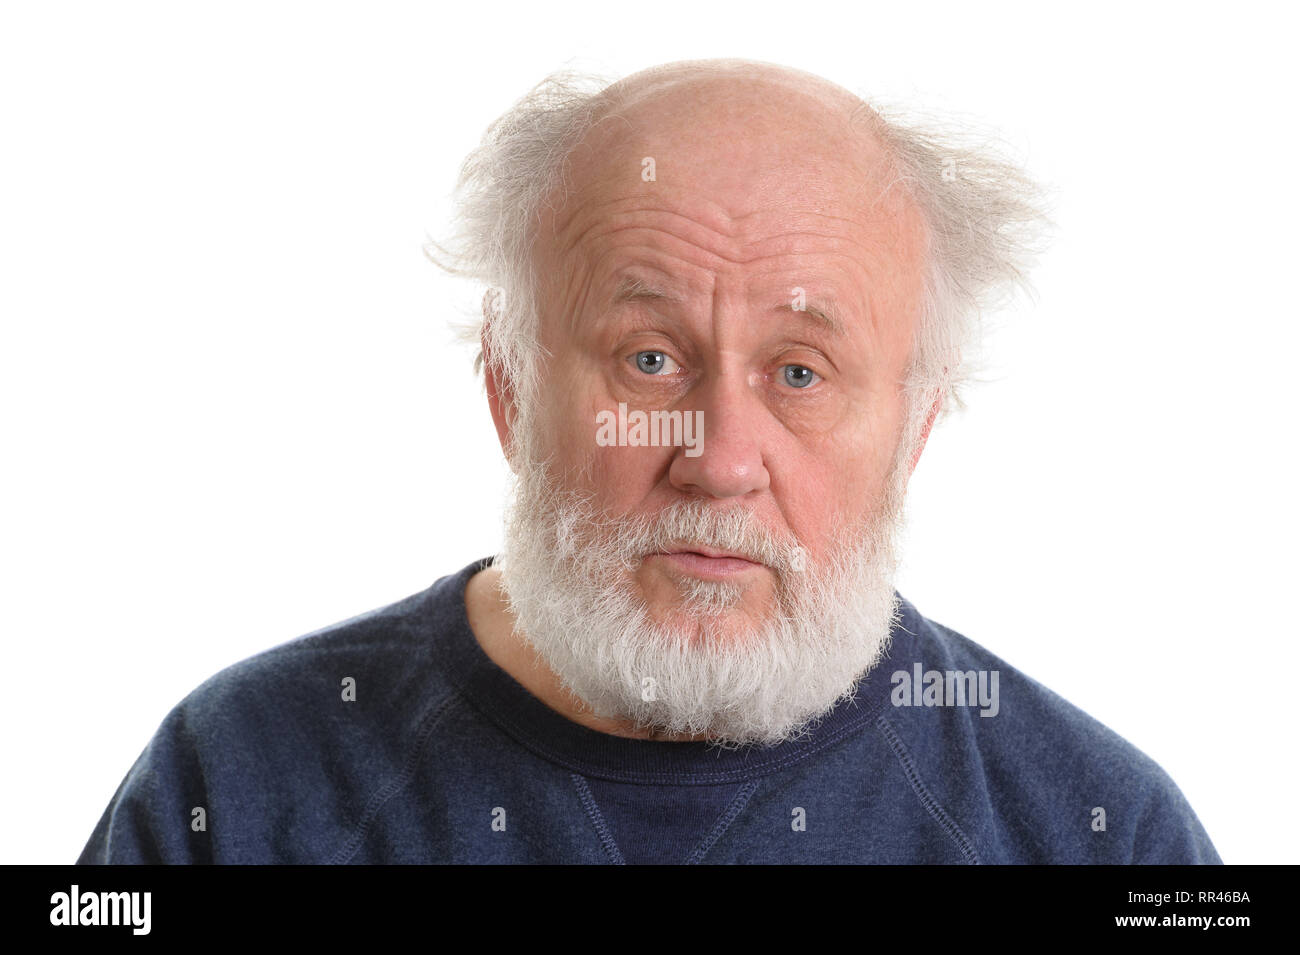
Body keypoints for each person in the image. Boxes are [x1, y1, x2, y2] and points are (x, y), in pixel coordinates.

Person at [78, 58, 1221, 864]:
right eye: (650, 356)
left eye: (802, 373)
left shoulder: (1098, 831)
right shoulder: (233, 787)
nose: (720, 463)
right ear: (510, 390)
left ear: (916, 427)